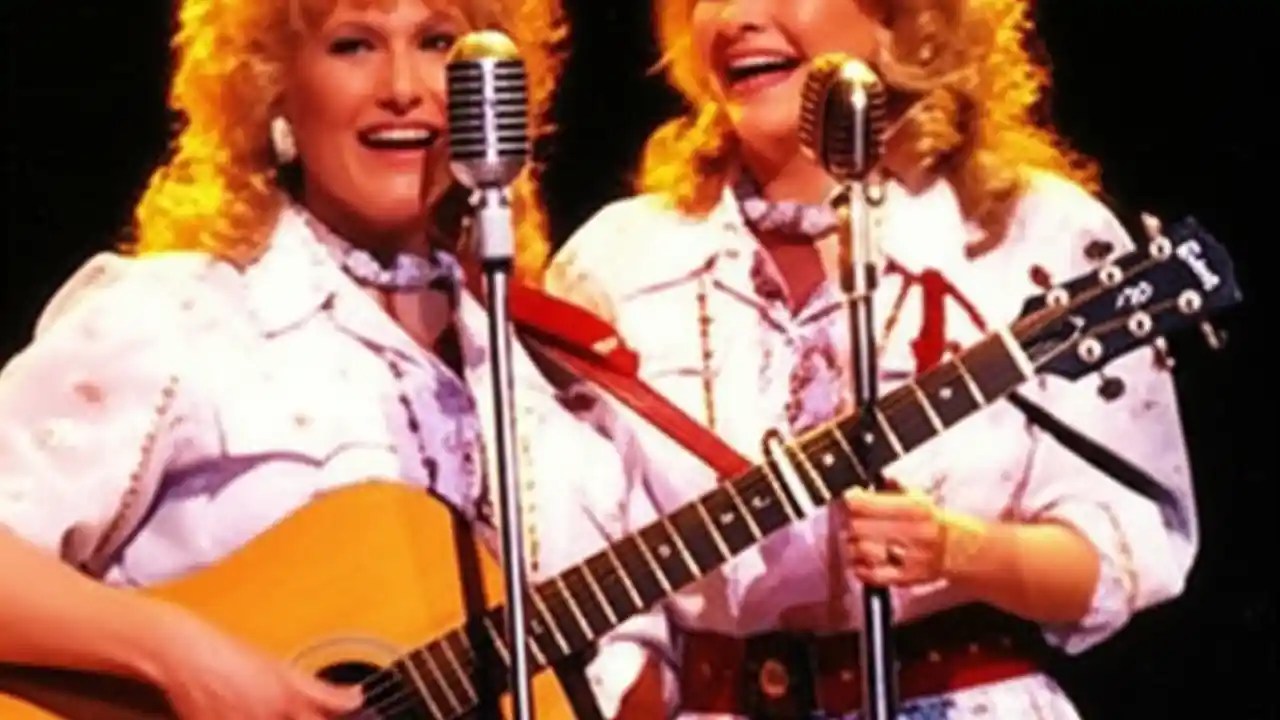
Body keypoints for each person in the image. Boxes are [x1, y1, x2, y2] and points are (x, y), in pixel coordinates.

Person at [543, 0, 1200, 717]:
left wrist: (958, 549)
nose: (736, 16)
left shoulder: (1034, 234)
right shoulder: (612, 263)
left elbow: (1126, 551)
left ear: (903, 15)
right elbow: (580, 565)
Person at [0, 1, 637, 718]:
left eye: (436, 42)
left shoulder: (541, 381)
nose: (404, 86)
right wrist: (176, 651)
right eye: (353, 46)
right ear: (276, 89)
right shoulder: (179, 317)